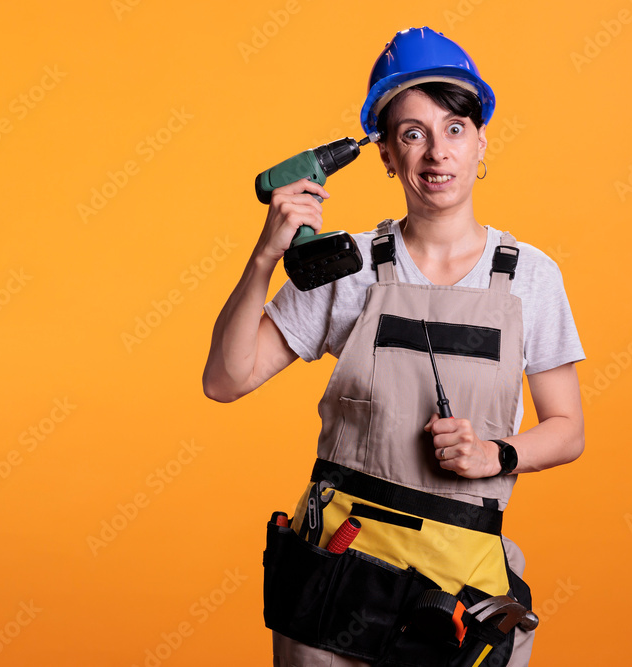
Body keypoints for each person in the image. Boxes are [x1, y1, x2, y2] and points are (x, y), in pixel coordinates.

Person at [203, 26, 585, 667]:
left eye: (454, 129)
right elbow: (226, 378)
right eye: (412, 133)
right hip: (337, 579)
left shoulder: (531, 277)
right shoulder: (345, 266)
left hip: (456, 590)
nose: (437, 153)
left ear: (481, 139)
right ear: (384, 153)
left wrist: (496, 453)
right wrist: (266, 256)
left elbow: (568, 430)